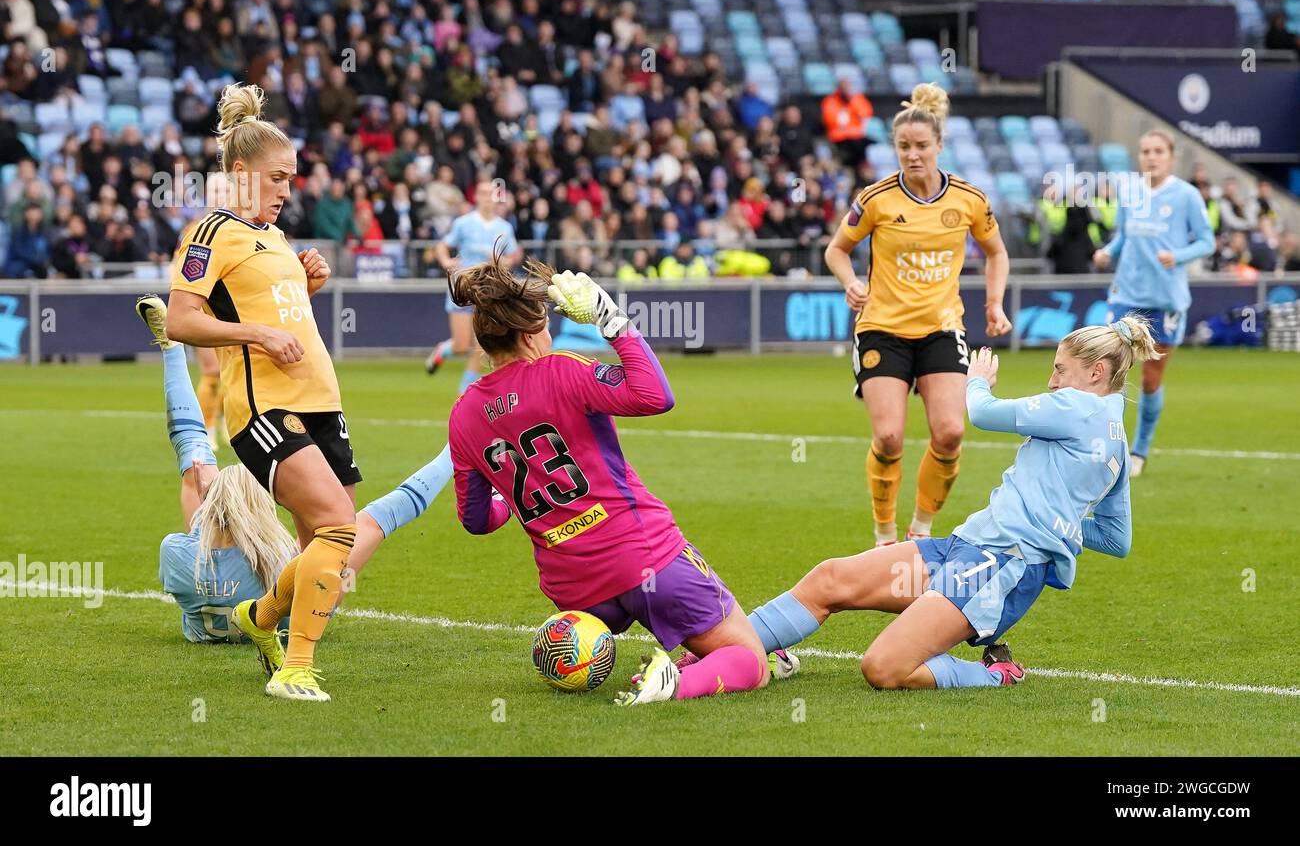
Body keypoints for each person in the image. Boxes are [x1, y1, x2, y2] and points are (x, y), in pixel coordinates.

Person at [447, 258, 795, 705]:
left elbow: (476, 520)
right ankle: (674, 684)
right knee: (752, 661)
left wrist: (510, 492)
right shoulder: (560, 371)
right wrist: (611, 318)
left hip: (576, 590)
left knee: (704, 634)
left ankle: (690, 656)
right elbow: (656, 396)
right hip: (645, 558)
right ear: (530, 335)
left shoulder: (463, 415)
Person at [747, 321, 1154, 690]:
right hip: (967, 548)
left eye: (1060, 369)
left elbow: (981, 412)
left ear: (1097, 372)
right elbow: (1116, 538)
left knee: (884, 667)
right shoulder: (1117, 440)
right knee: (830, 579)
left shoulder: (1077, 406)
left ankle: (995, 674)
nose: (1052, 381)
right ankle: (737, 644)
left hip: (996, 568)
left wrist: (975, 380)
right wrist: (1060, 527)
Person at [164, 82, 360, 702]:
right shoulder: (209, 233)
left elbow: (286, 317)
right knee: (337, 524)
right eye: (277, 178)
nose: (285, 190)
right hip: (267, 409)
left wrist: (308, 284)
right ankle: (294, 669)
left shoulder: (273, 238)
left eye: (291, 179)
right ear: (241, 173)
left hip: (320, 401)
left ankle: (261, 617)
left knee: (323, 541)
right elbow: (180, 320)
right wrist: (256, 336)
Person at [137, 294, 455, 648]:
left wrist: (205, 503)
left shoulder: (178, 555)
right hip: (301, 597)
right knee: (357, 534)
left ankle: (170, 349)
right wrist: (455, 449)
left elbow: (187, 438)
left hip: (208, 591)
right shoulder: (287, 566)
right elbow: (393, 509)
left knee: (192, 454)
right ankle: (454, 452)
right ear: (262, 507)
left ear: (210, 506)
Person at [824, 82, 1011, 548]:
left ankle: (920, 530)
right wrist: (850, 282)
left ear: (939, 146)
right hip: (882, 329)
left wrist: (993, 303)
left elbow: (997, 252)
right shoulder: (876, 199)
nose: (912, 155)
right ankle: (884, 535)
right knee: (888, 437)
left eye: (922, 146)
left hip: (943, 329)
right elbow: (837, 250)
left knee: (949, 432)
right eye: (903, 147)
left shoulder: (968, 199)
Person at [1093, 130, 1214, 477]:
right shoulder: (1129, 191)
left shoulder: (1187, 195)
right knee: (1108, 369)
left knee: (1150, 377)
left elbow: (1206, 242)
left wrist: (1177, 255)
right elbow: (1124, 237)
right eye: (1145, 151)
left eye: (1158, 151)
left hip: (1166, 300)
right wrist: (1107, 252)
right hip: (1126, 294)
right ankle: (1102, 446)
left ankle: (1140, 451)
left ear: (1171, 156)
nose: (1151, 157)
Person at [425, 178, 521, 392]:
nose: (487, 199)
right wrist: (446, 262)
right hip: (462, 287)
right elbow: (442, 246)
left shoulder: (504, 228)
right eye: (483, 194)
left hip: (488, 291)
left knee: (481, 345)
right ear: (476, 197)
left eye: (491, 194)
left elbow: (513, 255)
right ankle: (444, 350)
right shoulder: (463, 223)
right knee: (462, 345)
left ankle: (465, 390)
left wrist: (504, 261)